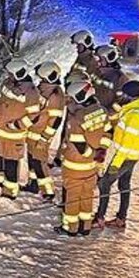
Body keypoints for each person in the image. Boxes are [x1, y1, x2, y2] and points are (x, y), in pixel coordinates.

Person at [98, 78, 139, 228]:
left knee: (105, 183)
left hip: (125, 156)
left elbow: (126, 145)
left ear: (129, 96)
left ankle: (99, 218)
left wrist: (115, 165)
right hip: (134, 155)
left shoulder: (135, 115)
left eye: (123, 95)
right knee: (124, 184)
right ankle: (121, 218)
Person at [56, 80, 106, 235]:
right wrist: (100, 151)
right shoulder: (101, 111)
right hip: (92, 166)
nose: (68, 101)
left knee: (72, 198)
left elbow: (78, 144)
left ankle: (70, 228)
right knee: (87, 196)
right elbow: (108, 133)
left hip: (75, 165)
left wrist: (87, 155)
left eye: (71, 98)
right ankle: (85, 227)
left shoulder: (76, 118)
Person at [0, 64, 39, 200]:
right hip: (0, 132)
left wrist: (17, 125)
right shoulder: (7, 83)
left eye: (11, 73)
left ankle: (10, 192)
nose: (9, 76)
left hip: (14, 136)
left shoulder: (31, 92)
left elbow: (34, 116)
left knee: (11, 164)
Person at [28, 60, 67, 199]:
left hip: (41, 135)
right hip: (34, 132)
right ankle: (32, 184)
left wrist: (44, 139)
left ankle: (48, 191)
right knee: (32, 159)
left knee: (39, 162)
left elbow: (55, 121)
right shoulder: (46, 88)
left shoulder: (55, 95)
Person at [90, 42, 128, 107]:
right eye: (97, 59)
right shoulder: (96, 73)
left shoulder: (120, 77)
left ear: (109, 59)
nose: (97, 62)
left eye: (100, 59)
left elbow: (121, 101)